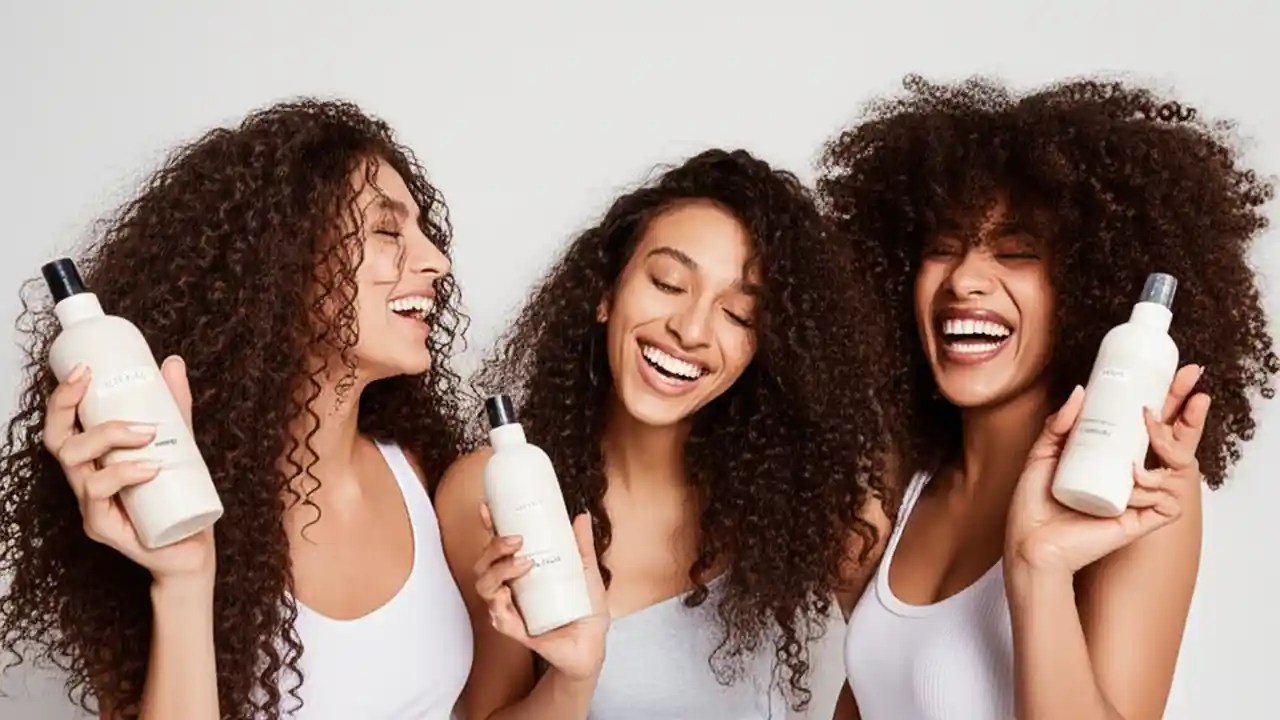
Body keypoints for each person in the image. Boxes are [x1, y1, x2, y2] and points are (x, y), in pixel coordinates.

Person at [817, 74, 1278, 720]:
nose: (967, 279)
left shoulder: (1134, 494)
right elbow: (872, 697)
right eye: (943, 247)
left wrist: (1038, 569)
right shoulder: (897, 485)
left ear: (1088, 289)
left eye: (1016, 253)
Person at [0, 99, 474, 719]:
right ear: (283, 262)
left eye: (421, 231)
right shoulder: (164, 503)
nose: (436, 260)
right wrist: (185, 579)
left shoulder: (426, 474)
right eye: (388, 231)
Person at [436, 148, 893, 719]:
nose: (692, 329)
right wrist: (575, 677)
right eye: (669, 283)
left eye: (739, 315)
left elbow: (907, 676)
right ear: (606, 293)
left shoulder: (813, 505)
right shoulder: (497, 490)